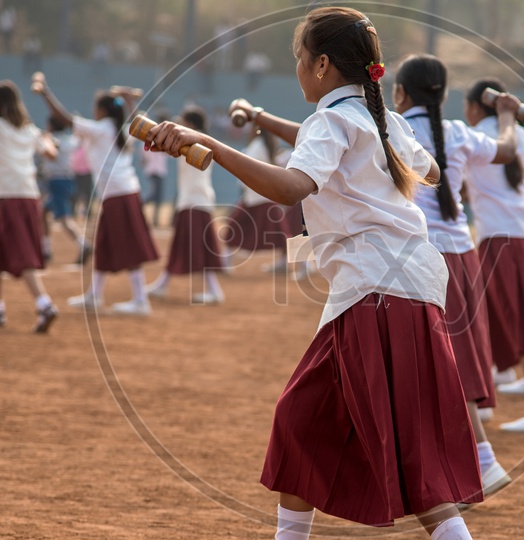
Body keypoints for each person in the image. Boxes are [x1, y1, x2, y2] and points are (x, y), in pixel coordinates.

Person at [145, 7, 493, 538]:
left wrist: (212, 145)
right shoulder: (383, 121)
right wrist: (272, 127)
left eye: (300, 59)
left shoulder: (334, 122)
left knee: (406, 453)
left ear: (323, 64)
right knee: (300, 421)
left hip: (373, 291)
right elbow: (431, 169)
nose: (299, 69)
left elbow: (291, 187)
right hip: (401, 288)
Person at [393, 54, 518, 497]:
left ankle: (479, 458)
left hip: (419, 257)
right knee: (451, 358)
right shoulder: (459, 132)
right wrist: (506, 117)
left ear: (401, 94)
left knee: (428, 362)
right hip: (462, 253)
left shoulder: (393, 126)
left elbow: (322, 140)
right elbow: (506, 149)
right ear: (443, 96)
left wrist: (261, 119)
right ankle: (476, 459)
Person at [463, 77, 524, 435]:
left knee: (512, 324)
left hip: (501, 238)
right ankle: (490, 397)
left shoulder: (481, 135)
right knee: (490, 317)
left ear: (476, 106)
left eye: (466, 105)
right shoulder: (517, 132)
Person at [36, 80, 159, 315]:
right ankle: (94, 295)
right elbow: (138, 123)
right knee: (103, 243)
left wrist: (45, 93)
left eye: (96, 106)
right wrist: (129, 100)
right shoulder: (118, 128)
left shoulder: (102, 128)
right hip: (118, 193)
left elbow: (65, 119)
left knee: (129, 245)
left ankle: (141, 300)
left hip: (118, 194)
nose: (94, 110)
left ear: (103, 110)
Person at [146, 106, 224, 304]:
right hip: (195, 201)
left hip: (193, 202)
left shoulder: (195, 144)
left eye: (183, 121)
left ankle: (214, 292)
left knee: (197, 250)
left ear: (190, 125)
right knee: (187, 248)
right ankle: (164, 284)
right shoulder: (202, 142)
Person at [0, 80, 59, 332]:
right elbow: (51, 154)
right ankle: (8, 309)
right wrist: (45, 138)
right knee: (16, 252)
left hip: (5, 195)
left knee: (19, 254)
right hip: (28, 196)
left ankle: (43, 303)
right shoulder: (29, 129)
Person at [223, 128, 301, 275]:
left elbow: (247, 170)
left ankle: (300, 266)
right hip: (262, 197)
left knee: (234, 227)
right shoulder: (265, 145)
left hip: (258, 197)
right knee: (283, 235)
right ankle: (289, 264)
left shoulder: (258, 146)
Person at [41, 116, 92, 265]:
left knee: (63, 218)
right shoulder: (70, 140)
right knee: (43, 212)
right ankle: (46, 250)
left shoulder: (54, 140)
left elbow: (50, 152)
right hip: (65, 181)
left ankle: (84, 245)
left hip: (57, 181)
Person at [140, 113, 169, 227]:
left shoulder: (152, 138)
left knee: (156, 196)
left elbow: (143, 158)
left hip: (154, 170)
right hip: (156, 170)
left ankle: (155, 219)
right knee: (155, 196)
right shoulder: (162, 139)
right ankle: (140, 208)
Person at [71, 140, 94, 219]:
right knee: (75, 192)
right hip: (76, 171)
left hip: (87, 171)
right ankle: (72, 211)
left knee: (87, 193)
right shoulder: (74, 141)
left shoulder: (89, 142)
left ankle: (88, 212)